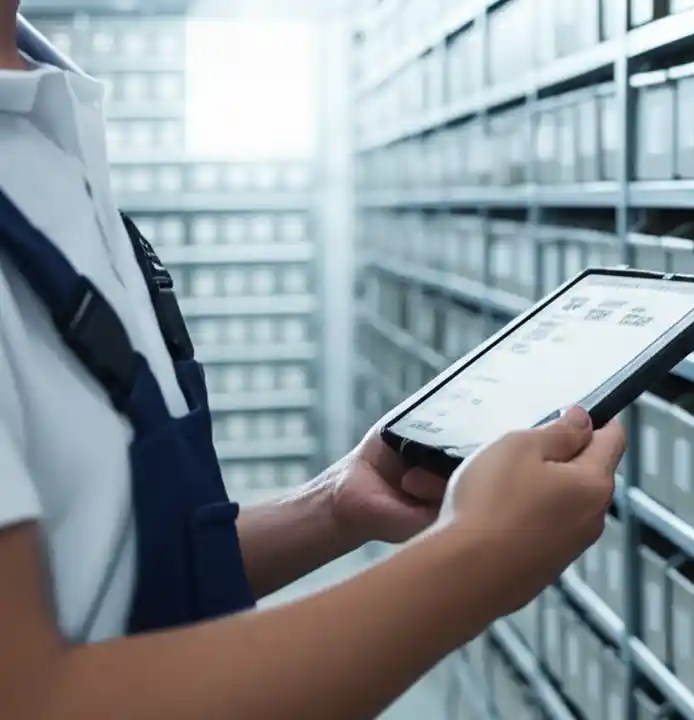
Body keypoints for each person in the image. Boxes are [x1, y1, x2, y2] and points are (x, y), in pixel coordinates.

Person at [0, 4, 624, 717]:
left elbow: (110, 575)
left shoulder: (45, 122)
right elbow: (30, 698)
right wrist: (478, 558)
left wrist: (333, 508)